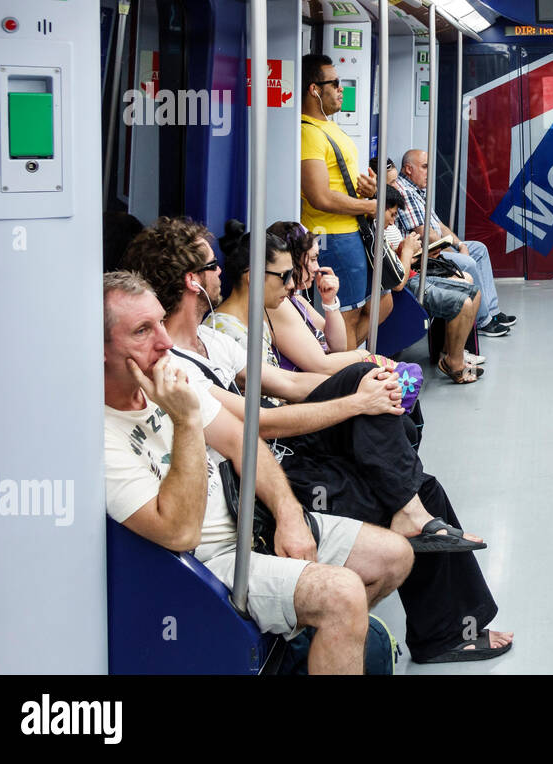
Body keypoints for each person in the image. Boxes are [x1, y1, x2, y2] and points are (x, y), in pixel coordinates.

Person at [122, 219, 513, 662]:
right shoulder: (179, 368)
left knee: (414, 475)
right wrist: (355, 402)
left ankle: (419, 586)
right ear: (193, 281)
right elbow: (260, 425)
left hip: (279, 454)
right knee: (404, 482)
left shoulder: (212, 340)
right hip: (270, 472)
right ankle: (421, 620)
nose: (222, 274)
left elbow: (293, 385)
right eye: (214, 266)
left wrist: (366, 385)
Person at [102, 270, 414, 674]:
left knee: (395, 556)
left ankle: (305, 648)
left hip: (252, 522)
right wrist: (185, 422)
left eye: (161, 322)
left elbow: (245, 443)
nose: (164, 343)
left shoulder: (168, 381)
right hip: (208, 563)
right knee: (343, 595)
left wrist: (289, 516)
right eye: (143, 331)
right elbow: (180, 534)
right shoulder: (100, 433)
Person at [299, 53, 386, 348]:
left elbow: (338, 185)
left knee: (379, 304)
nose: (341, 89)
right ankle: (346, 374)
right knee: (345, 317)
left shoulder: (330, 128)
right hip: (333, 237)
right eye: (334, 83)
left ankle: (341, 359)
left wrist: (369, 190)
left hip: (350, 232)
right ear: (314, 89)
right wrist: (370, 206)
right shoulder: (308, 132)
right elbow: (319, 196)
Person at [392, 149, 516, 339]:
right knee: (468, 263)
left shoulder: (417, 191)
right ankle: (483, 321)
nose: (429, 172)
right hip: (425, 254)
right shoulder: (405, 192)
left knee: (478, 249)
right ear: (409, 169)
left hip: (438, 246)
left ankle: (492, 310)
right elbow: (427, 235)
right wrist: (454, 252)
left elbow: (439, 225)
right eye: (425, 167)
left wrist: (460, 245)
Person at [383, 185, 484, 384]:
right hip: (408, 285)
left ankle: (452, 354)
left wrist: (410, 252)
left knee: (474, 293)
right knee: (463, 302)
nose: (394, 221)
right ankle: (454, 364)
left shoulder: (388, 229)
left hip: (413, 272)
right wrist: (407, 252)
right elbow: (397, 283)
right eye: (392, 215)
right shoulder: (378, 235)